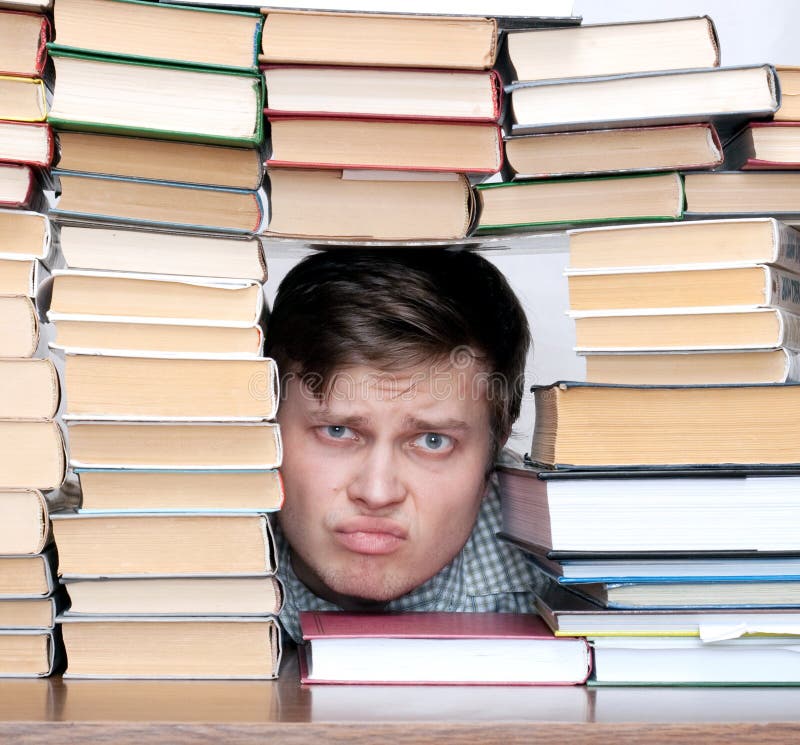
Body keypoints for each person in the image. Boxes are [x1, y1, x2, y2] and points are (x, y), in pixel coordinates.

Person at [265, 249, 538, 642]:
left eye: (433, 440)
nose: (377, 494)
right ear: (265, 422)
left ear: (497, 443)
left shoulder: (577, 585)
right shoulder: (179, 558)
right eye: (338, 431)